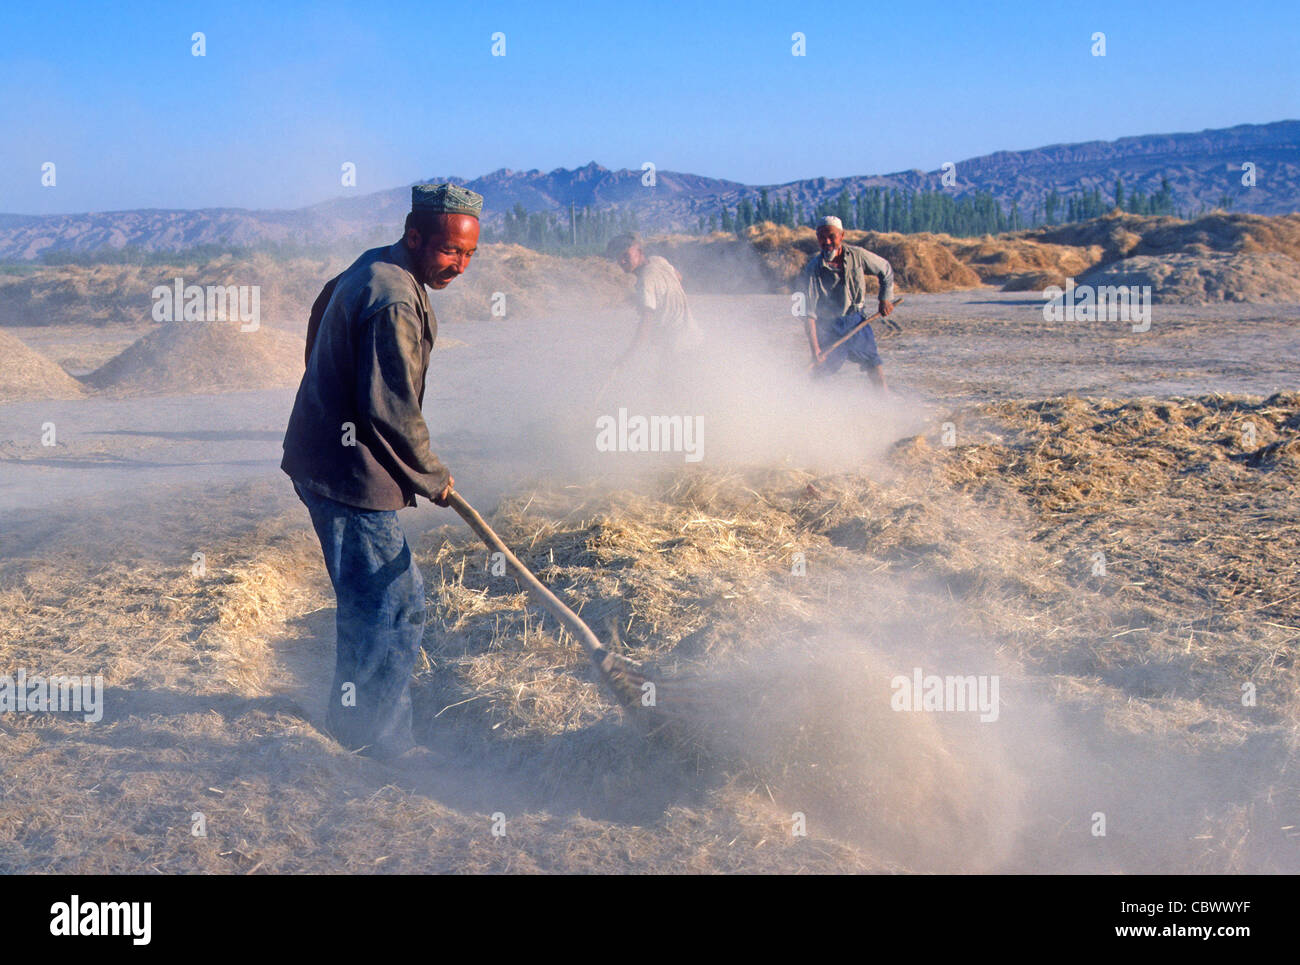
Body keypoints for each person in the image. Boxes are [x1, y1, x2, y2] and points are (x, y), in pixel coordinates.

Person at [280, 182, 482, 763]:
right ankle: (380, 742)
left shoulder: (375, 266)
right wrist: (431, 474)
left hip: (325, 457)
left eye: (469, 255)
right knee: (394, 603)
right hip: (348, 474)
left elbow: (321, 316)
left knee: (369, 600)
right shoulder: (393, 296)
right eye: (449, 252)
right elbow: (391, 405)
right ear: (414, 235)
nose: (460, 266)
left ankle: (352, 724)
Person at [799, 215, 897, 393]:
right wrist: (816, 350)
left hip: (856, 322)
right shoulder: (813, 269)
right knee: (820, 373)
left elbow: (885, 270)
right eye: (822, 237)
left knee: (873, 363)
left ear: (842, 236)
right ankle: (810, 406)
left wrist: (885, 299)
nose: (827, 241)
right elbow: (808, 313)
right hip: (828, 327)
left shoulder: (857, 256)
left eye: (831, 236)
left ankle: (883, 401)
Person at [604, 233, 704, 374]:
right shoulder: (658, 261)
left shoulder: (645, 282)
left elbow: (646, 323)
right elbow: (678, 277)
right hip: (694, 338)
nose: (622, 262)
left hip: (677, 348)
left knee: (667, 389)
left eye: (626, 256)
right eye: (618, 258)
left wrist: (627, 357)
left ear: (639, 252)